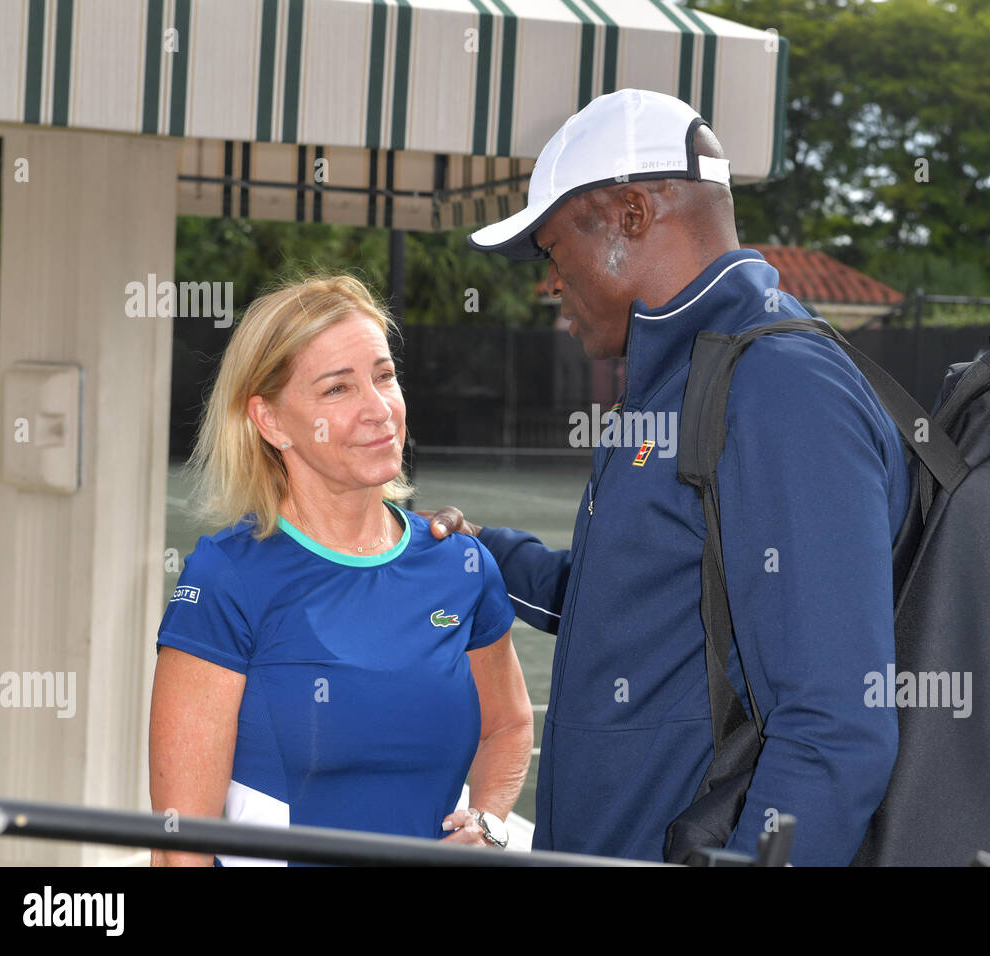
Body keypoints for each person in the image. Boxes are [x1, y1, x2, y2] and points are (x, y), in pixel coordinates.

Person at [425, 89, 912, 865]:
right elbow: (640, 606)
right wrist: (483, 552)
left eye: (552, 250)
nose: (550, 283)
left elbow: (835, 727)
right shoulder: (680, 378)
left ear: (629, 216)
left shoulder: (781, 383)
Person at [149, 275, 532, 866]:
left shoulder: (460, 563)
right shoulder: (227, 578)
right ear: (270, 421)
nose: (379, 410)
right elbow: (182, 849)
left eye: (384, 376)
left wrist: (487, 820)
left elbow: (507, 727)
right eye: (337, 389)